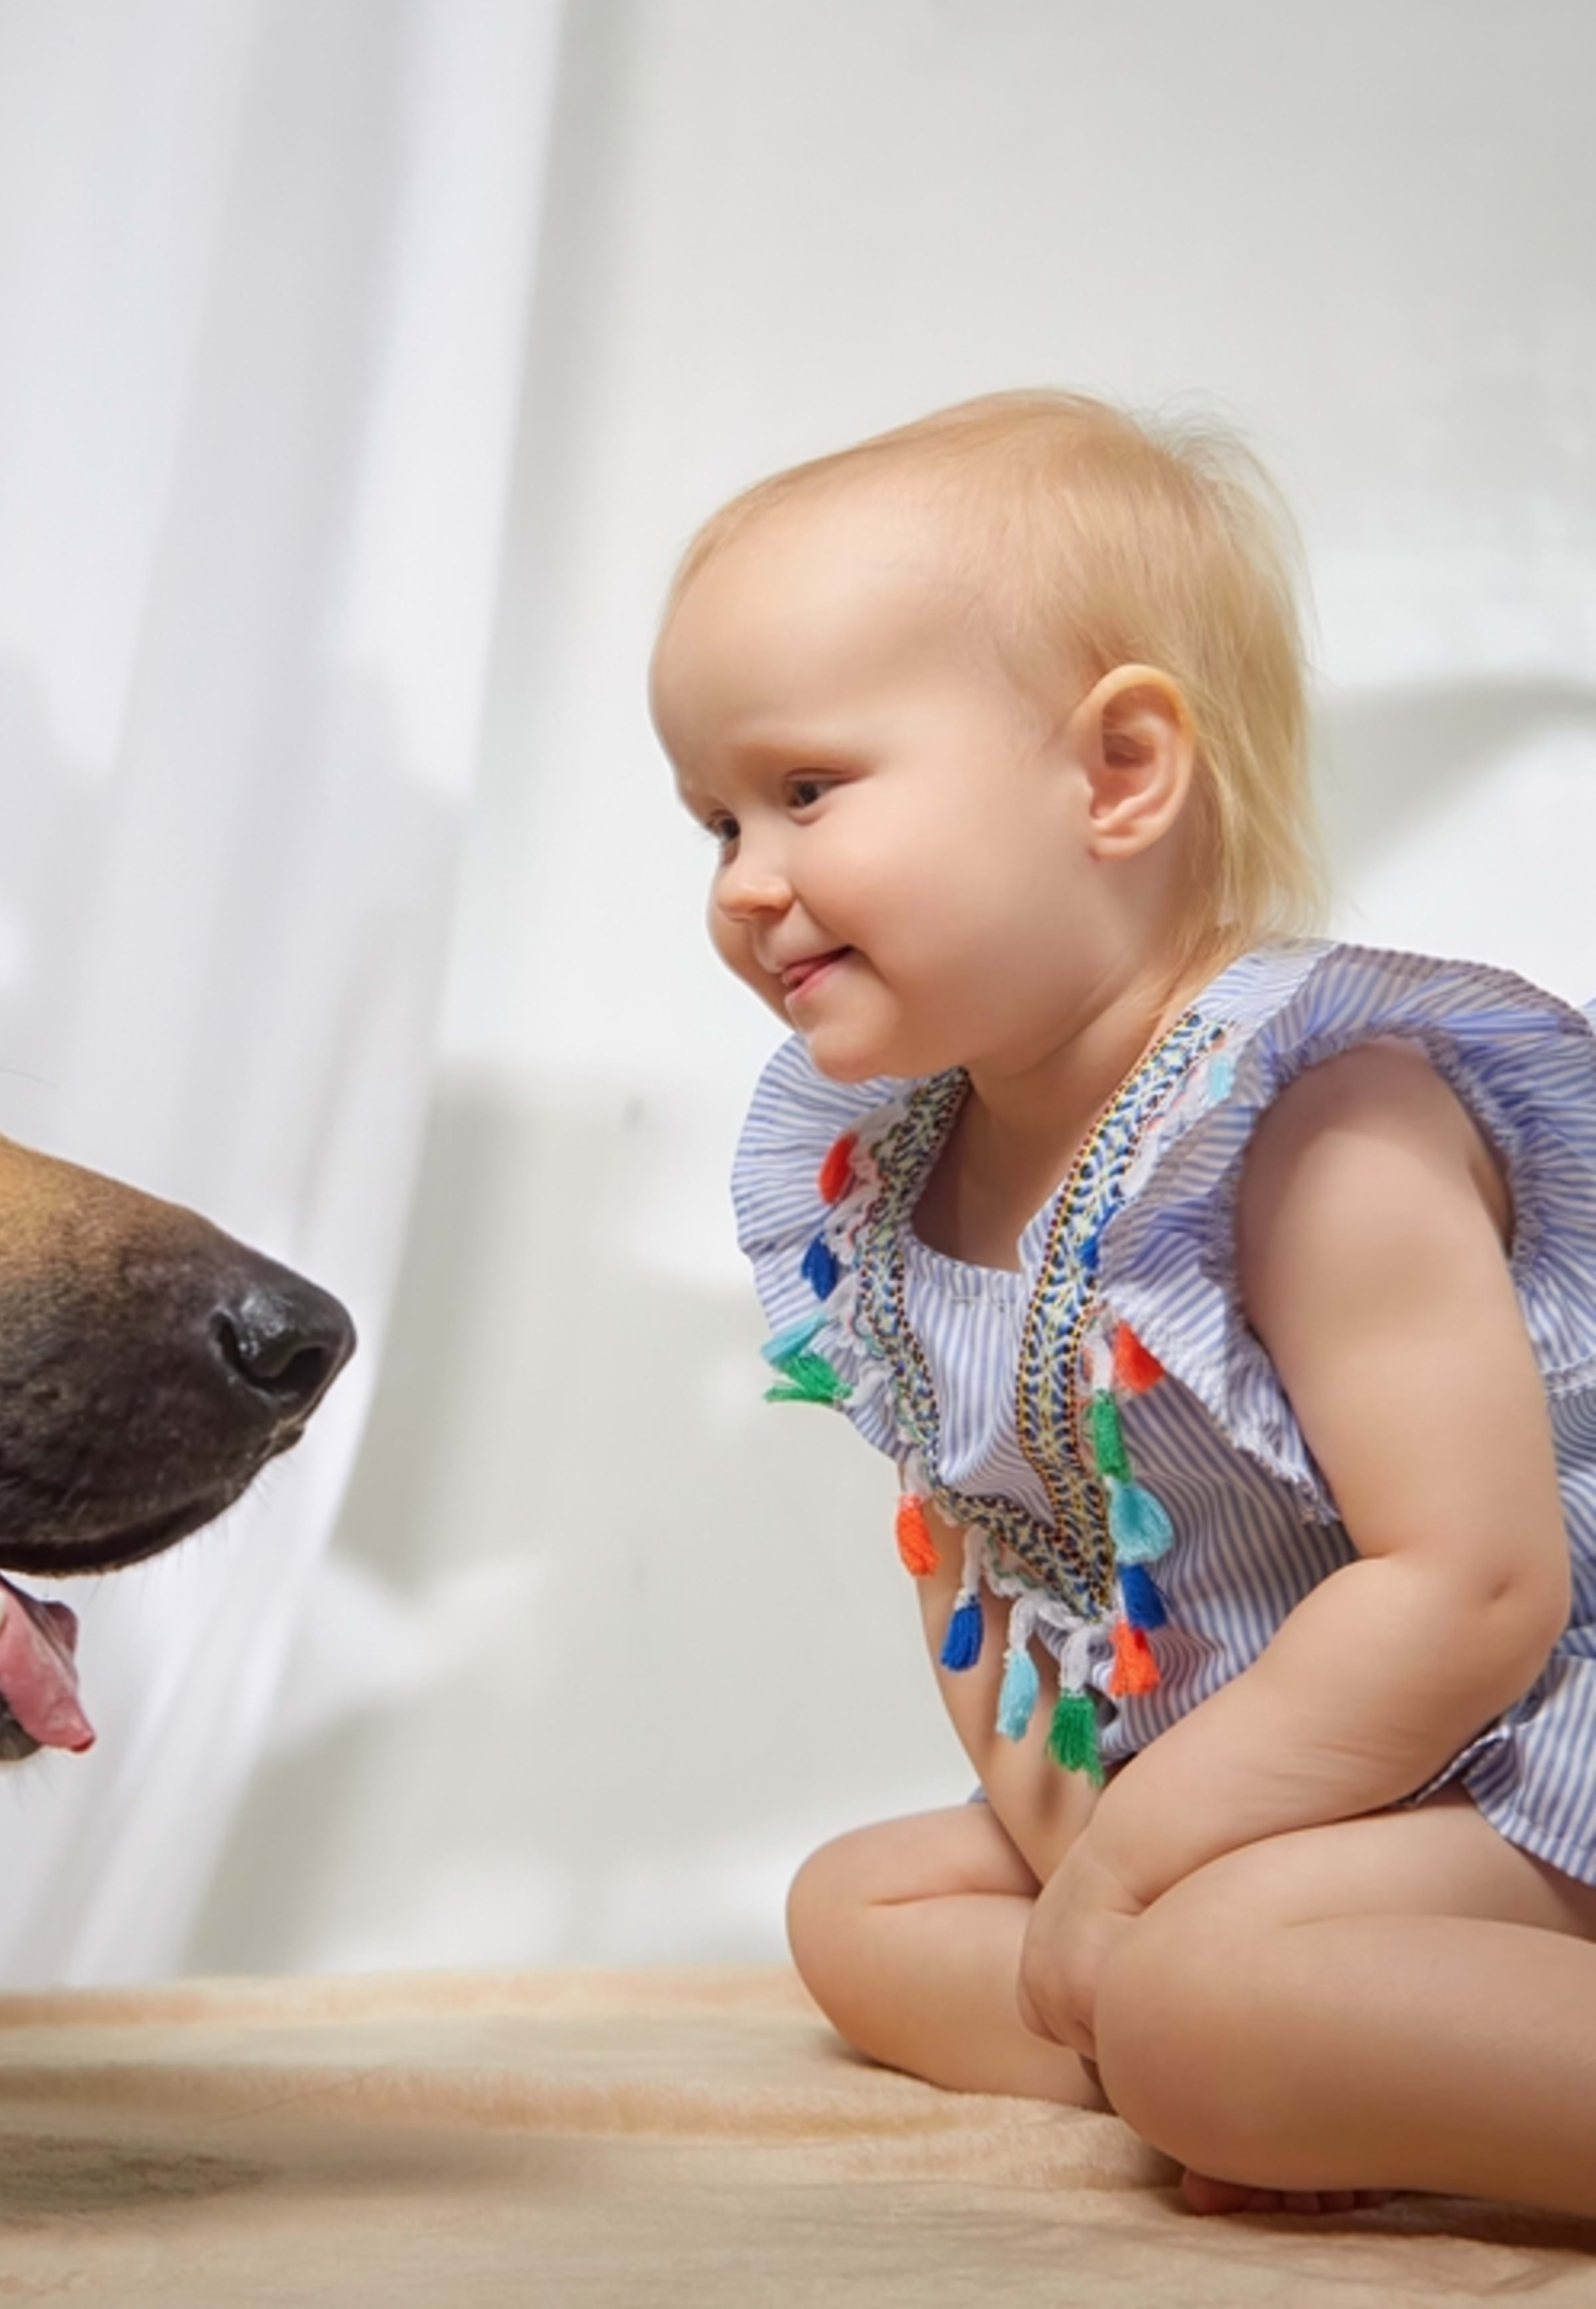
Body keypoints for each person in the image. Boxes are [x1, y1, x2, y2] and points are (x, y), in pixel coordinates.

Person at [649, 393, 1596, 2217]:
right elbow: (990, 1569)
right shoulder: (902, 1171)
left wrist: (1132, 1882)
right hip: (1244, 1809)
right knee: (857, 1908)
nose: (747, 884)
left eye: (807, 789)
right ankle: (1298, 2074)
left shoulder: (1319, 1124)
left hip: (1517, 1766)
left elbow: (1474, 1591)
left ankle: (1253, 2048)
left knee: (1200, 1984)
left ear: (1117, 775)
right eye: (713, 821)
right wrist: (1077, 1845)